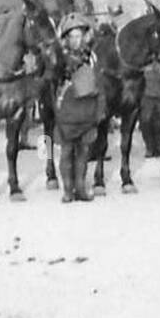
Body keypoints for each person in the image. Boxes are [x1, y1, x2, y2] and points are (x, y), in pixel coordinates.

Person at [54, 14, 106, 203]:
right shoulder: (60, 60)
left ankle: (81, 188)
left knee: (84, 153)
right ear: (66, 39)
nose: (76, 40)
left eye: (79, 36)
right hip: (67, 113)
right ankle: (68, 190)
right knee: (66, 152)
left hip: (87, 112)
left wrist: (101, 109)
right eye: (72, 36)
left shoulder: (92, 57)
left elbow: (99, 84)